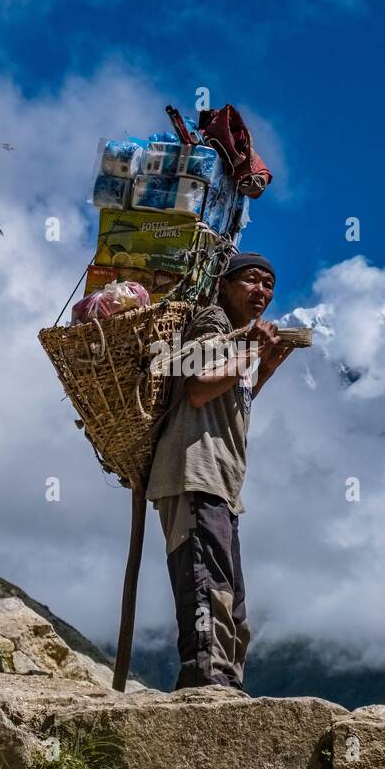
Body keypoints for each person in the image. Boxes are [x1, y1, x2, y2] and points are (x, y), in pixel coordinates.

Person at [145, 252, 296, 691]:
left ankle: (225, 680)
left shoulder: (237, 341)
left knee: (230, 596)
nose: (262, 292)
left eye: (268, 285)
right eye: (251, 281)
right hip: (194, 473)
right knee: (208, 585)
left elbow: (231, 400)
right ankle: (207, 680)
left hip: (221, 484)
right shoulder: (211, 323)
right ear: (223, 286)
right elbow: (196, 388)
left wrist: (262, 368)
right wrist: (250, 350)